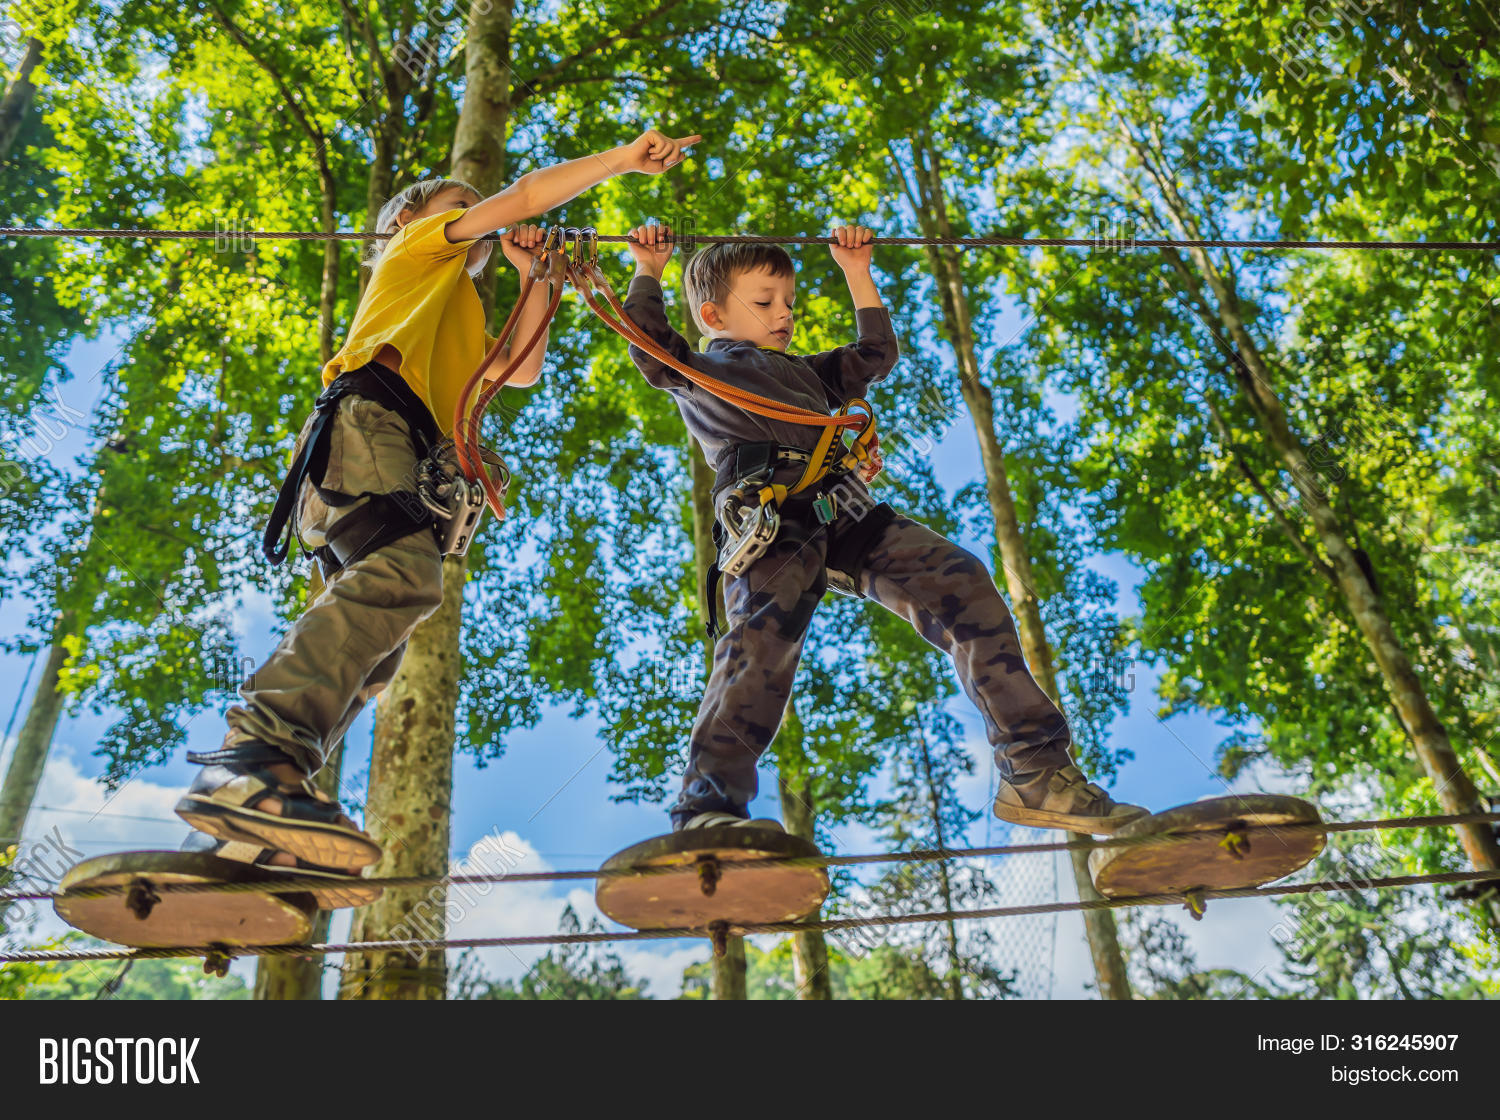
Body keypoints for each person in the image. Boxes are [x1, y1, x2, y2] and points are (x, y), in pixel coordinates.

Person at [174, 130, 702, 902]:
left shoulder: (453, 304)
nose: (476, 217)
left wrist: (536, 277)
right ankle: (253, 752)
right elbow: (519, 199)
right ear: (409, 221)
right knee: (400, 574)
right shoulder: (415, 252)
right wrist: (620, 159)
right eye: (462, 207)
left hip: (395, 451)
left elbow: (516, 370)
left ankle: (243, 834)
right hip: (369, 424)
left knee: (377, 649)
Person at [622, 222, 1145, 836]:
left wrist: (856, 271)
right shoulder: (702, 371)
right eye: (764, 302)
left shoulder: (810, 375)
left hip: (843, 507)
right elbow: (647, 341)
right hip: (769, 517)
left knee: (963, 582)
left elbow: (875, 356)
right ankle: (707, 808)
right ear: (711, 312)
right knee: (761, 639)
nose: (783, 314)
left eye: (789, 302)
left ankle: (1034, 770)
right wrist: (648, 269)